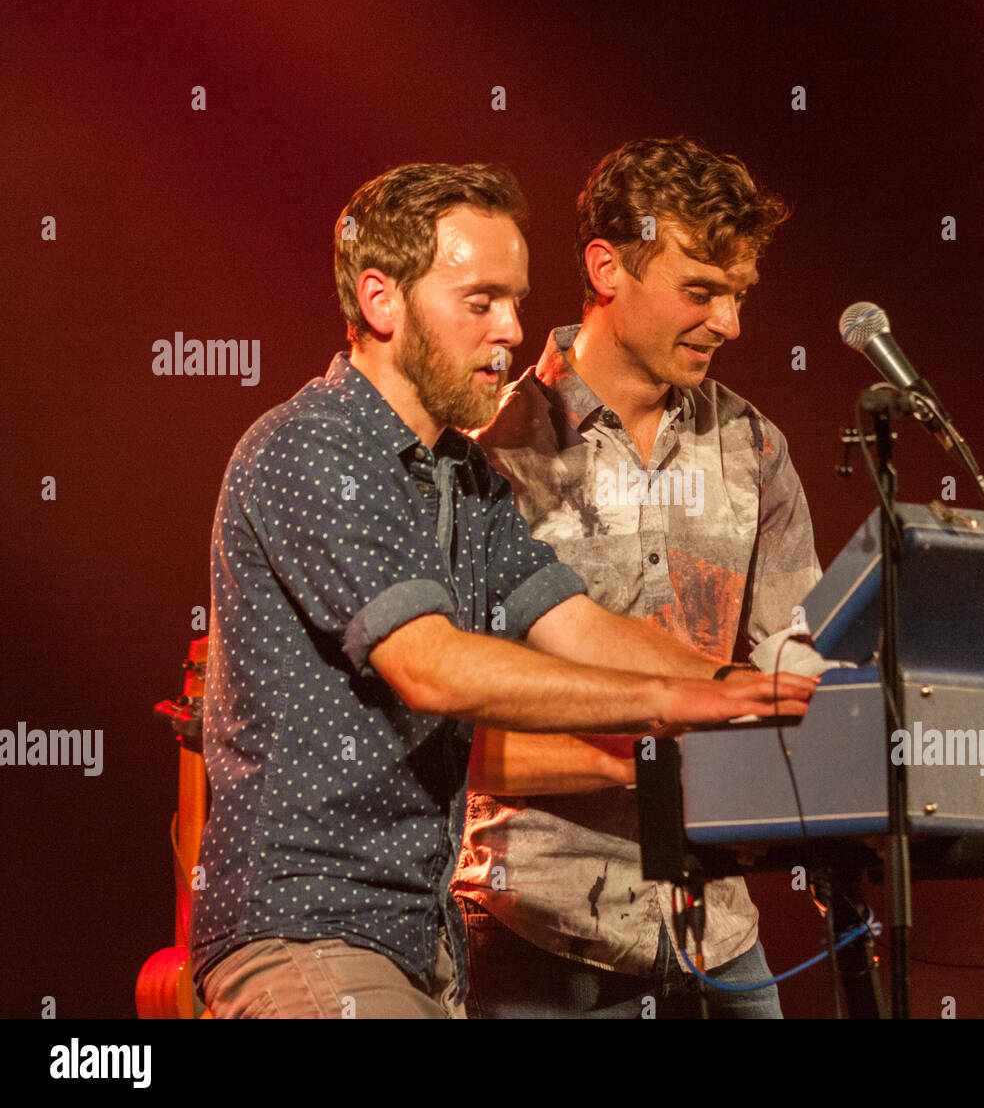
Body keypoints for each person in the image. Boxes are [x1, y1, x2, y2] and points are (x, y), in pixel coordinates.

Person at [188, 161, 815, 1019]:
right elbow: (434, 667)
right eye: (481, 302)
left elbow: (572, 621)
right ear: (381, 301)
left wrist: (736, 690)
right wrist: (670, 703)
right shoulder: (313, 447)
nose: (515, 329)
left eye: (515, 300)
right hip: (312, 929)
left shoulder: (460, 478)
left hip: (422, 939)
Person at [453, 139, 822, 1018]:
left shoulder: (755, 448)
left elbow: (793, 666)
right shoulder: (489, 453)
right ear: (607, 267)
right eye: (701, 291)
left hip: (720, 930)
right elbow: (444, 739)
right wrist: (646, 755)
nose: (728, 323)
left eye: (738, 296)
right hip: (538, 924)